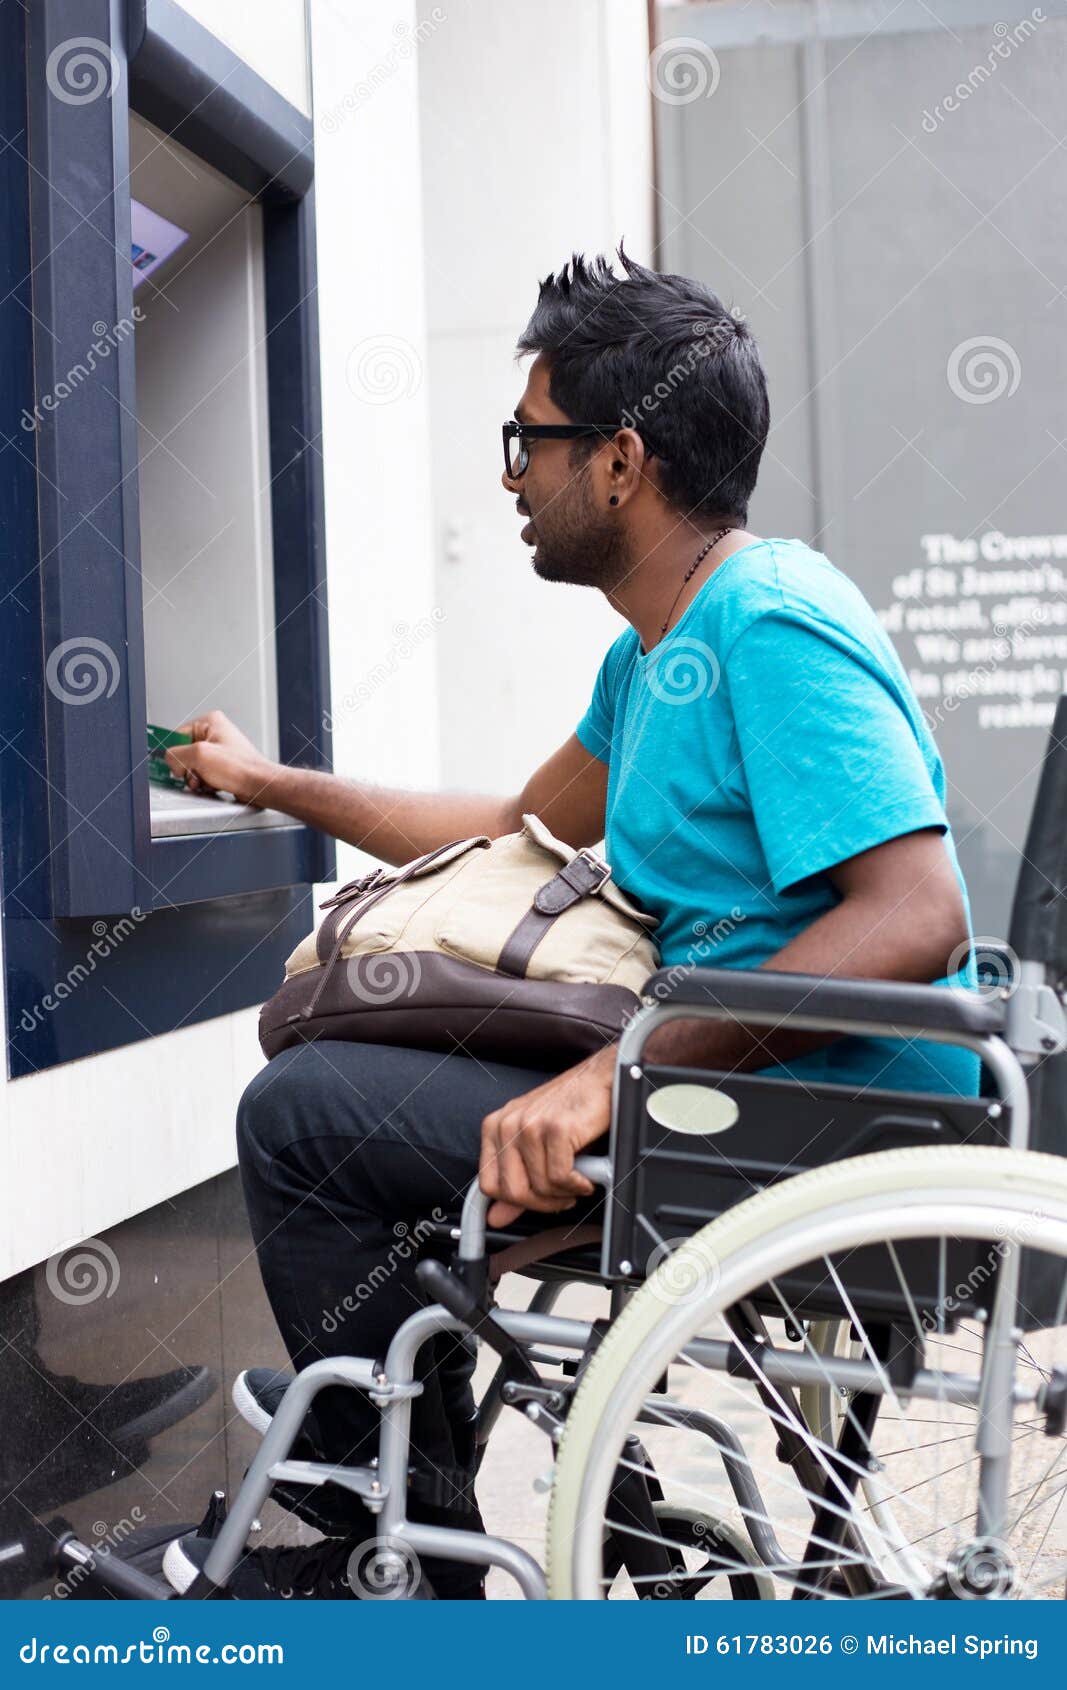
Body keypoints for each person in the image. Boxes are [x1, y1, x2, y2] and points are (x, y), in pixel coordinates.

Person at [161, 250, 976, 1599]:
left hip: (819, 1114)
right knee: (340, 1083)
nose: (508, 476)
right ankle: (383, 1457)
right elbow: (508, 825)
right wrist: (268, 781)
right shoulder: (656, 647)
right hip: (726, 1089)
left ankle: (369, 1518)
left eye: (525, 438)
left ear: (621, 459)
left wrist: (615, 1077)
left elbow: (915, 913)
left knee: (304, 1116)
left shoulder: (770, 620)